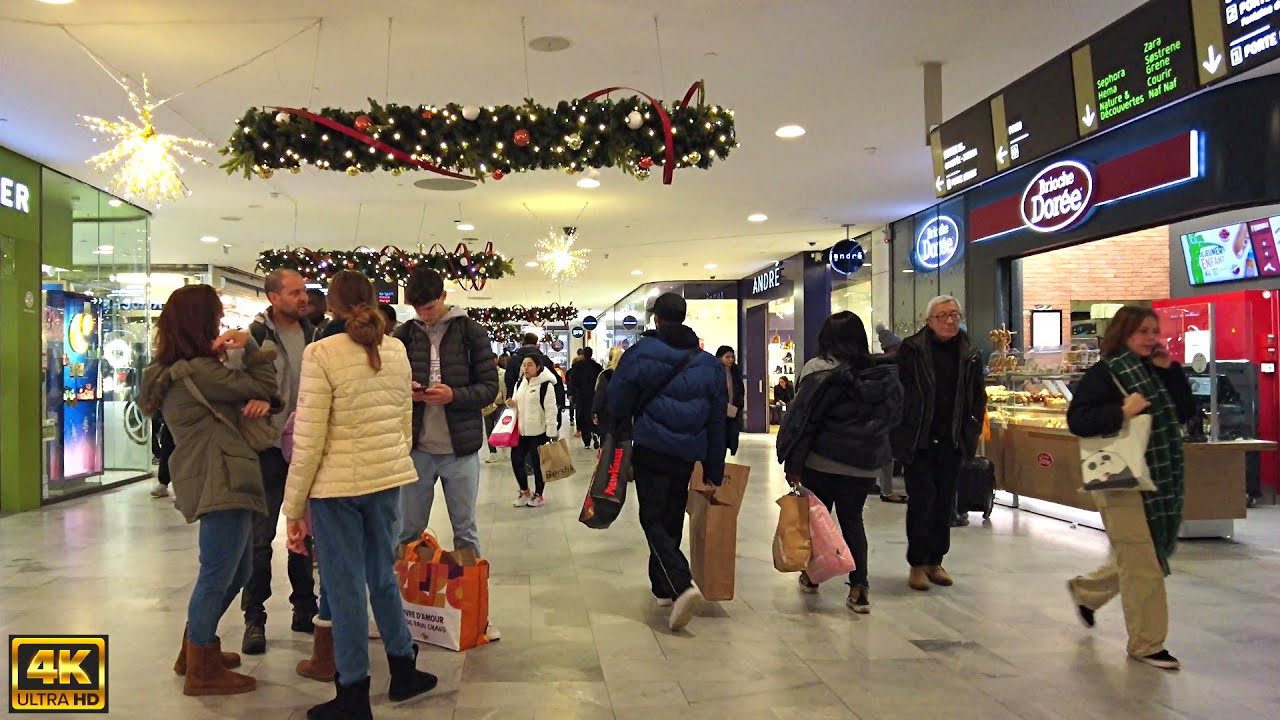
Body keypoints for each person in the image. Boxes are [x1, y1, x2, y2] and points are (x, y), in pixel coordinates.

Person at [282, 270, 438, 718]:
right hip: (385, 480)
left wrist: (294, 507)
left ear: (330, 305)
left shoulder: (321, 353)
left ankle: (353, 691)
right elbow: (403, 419)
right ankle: (403, 668)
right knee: (382, 575)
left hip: (337, 489)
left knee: (345, 586)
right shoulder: (395, 349)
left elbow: (309, 438)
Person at [138, 284, 279, 697]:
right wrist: (249, 345)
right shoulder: (199, 370)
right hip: (221, 473)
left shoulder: (170, 367)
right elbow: (265, 384)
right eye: (215, 317)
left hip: (208, 470)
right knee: (219, 572)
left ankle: (196, 649)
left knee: (237, 569)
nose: (220, 324)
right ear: (200, 322)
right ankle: (201, 666)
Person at [1065, 305, 1195, 671]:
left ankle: (1087, 592)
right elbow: (1078, 420)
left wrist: (1171, 372)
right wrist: (1122, 411)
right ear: (1124, 333)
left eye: (1154, 331)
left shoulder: (1155, 371)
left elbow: (1185, 413)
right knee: (1144, 565)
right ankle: (1147, 644)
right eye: (1143, 331)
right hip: (1121, 480)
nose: (1151, 338)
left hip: (1158, 480)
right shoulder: (1106, 373)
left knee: (1141, 557)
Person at [608, 293, 727, 631]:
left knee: (651, 517)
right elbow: (717, 420)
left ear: (657, 319)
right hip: (687, 453)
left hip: (651, 448)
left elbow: (617, 401)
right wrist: (714, 468)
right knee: (672, 514)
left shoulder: (640, 353)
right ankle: (662, 587)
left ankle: (681, 583)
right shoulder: (709, 364)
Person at [777, 312, 903, 613]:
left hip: (822, 461)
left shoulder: (817, 370)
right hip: (862, 465)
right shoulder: (879, 374)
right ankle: (859, 588)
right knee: (852, 521)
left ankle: (812, 576)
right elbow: (893, 420)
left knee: (818, 522)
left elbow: (804, 420)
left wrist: (793, 462)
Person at [240, 269, 319, 655]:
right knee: (259, 537)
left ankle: (305, 607)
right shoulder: (254, 337)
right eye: (294, 292)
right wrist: (253, 400)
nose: (303, 298)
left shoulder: (316, 336)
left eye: (304, 291)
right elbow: (233, 385)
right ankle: (254, 618)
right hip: (267, 448)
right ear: (274, 297)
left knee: (305, 533)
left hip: (305, 447)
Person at [394, 268, 497, 554]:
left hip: (460, 449)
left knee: (465, 530)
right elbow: (388, 386)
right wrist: (407, 392)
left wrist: (454, 395)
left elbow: (490, 388)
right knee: (408, 531)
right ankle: (407, 582)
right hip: (416, 449)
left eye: (429, 307)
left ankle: (469, 583)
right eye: (418, 309)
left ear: (443, 296)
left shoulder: (471, 332)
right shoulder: (404, 335)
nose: (424, 314)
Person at [891, 295, 985, 592]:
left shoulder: (970, 352)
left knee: (945, 503)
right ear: (929, 321)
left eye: (955, 314)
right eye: (943, 315)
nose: (950, 320)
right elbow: (899, 392)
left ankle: (936, 561)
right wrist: (900, 431)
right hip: (919, 440)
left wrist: (971, 430)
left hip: (952, 440)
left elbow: (977, 396)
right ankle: (917, 564)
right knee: (921, 502)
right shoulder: (912, 349)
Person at [508, 355, 560, 508]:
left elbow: (551, 410)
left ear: (538, 367)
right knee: (516, 460)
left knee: (538, 465)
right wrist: (511, 404)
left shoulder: (546, 386)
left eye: (530, 365)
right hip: (521, 431)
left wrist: (551, 431)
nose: (526, 368)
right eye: (524, 365)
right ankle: (525, 492)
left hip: (539, 432)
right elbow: (517, 403)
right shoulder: (520, 383)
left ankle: (539, 494)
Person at [875, 324, 908, 504]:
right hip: (891, 416)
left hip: (884, 416)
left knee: (885, 453)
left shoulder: (880, 365)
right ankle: (886, 491)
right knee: (887, 454)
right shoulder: (893, 366)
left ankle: (882, 488)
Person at [505, 333, 565, 410]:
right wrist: (560, 401)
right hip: (541, 399)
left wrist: (512, 396)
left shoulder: (514, 359)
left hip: (520, 399)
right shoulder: (543, 359)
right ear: (536, 343)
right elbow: (555, 379)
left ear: (523, 342)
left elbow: (509, 379)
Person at [570, 347, 604, 449]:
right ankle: (595, 432)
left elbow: (573, 381)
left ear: (583, 354)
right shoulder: (597, 366)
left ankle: (587, 441)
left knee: (583, 417)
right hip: (594, 395)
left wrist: (573, 394)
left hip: (582, 396)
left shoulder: (577, 366)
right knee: (593, 415)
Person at [715, 346, 746, 456]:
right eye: (727, 357)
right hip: (719, 411)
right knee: (719, 441)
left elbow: (740, 391)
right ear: (720, 358)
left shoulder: (736, 372)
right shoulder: (715, 372)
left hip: (733, 411)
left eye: (732, 357)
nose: (730, 360)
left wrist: (738, 405)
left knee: (731, 436)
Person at [591, 346, 625, 435]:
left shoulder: (605, 375)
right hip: (624, 418)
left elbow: (599, 396)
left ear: (610, 358)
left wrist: (595, 413)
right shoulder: (628, 373)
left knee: (607, 440)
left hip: (607, 416)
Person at [482, 355, 509, 464]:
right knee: (489, 429)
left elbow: (506, 387)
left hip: (500, 404)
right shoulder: (483, 375)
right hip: (487, 404)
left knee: (501, 428)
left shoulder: (503, 373)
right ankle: (492, 452)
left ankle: (504, 447)